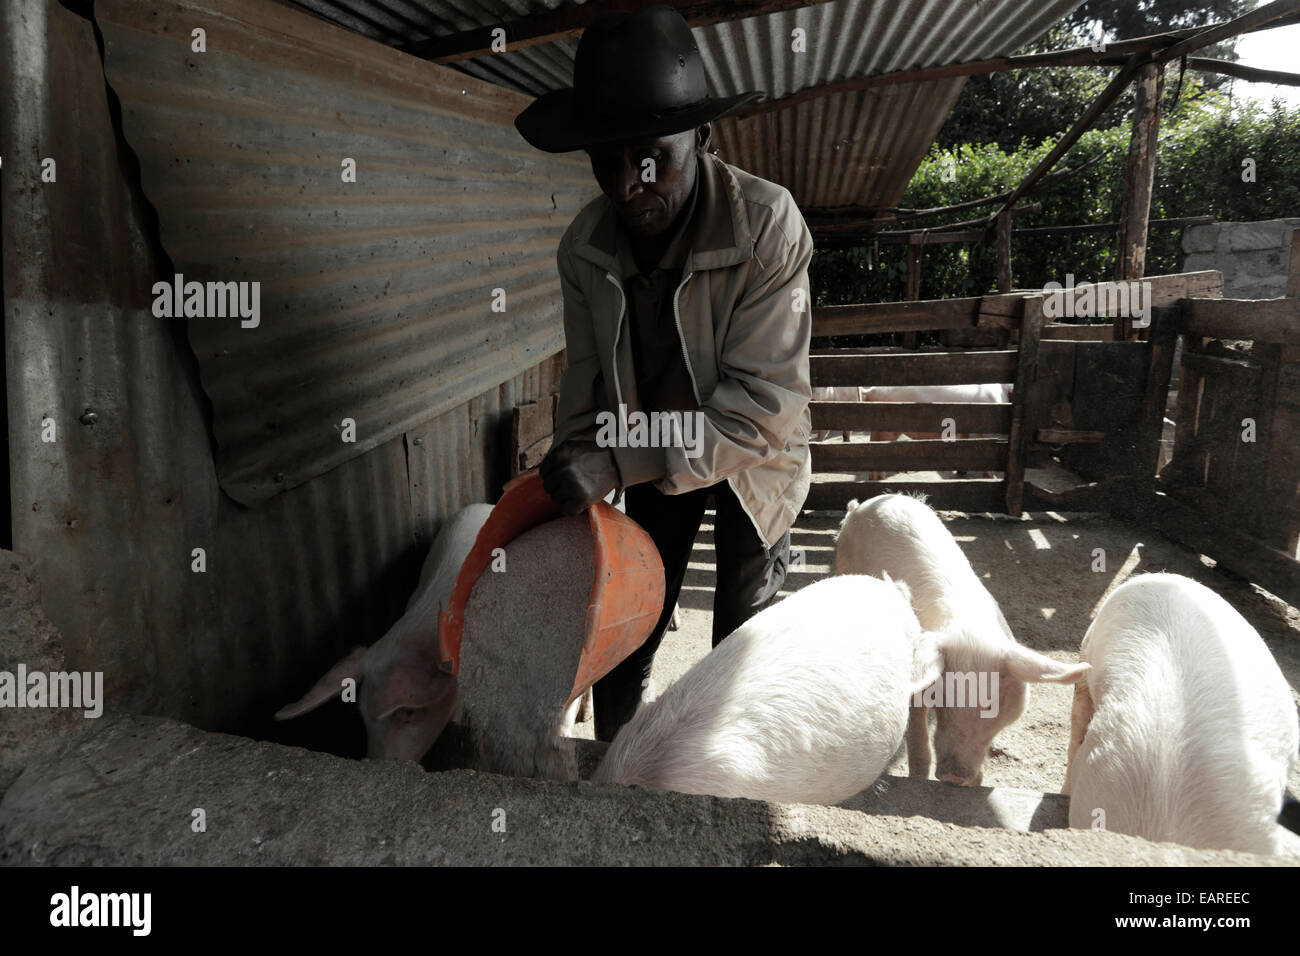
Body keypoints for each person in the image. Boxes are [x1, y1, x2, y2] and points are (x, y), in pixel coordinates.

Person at [514, 5, 813, 741]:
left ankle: (721, 801)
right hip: (651, 458)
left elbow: (762, 407)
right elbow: (584, 379)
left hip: (751, 463)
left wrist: (620, 458)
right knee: (629, 622)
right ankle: (618, 769)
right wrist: (578, 464)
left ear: (701, 139)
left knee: (738, 651)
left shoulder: (766, 227)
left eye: (650, 159)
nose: (626, 186)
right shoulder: (585, 247)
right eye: (605, 161)